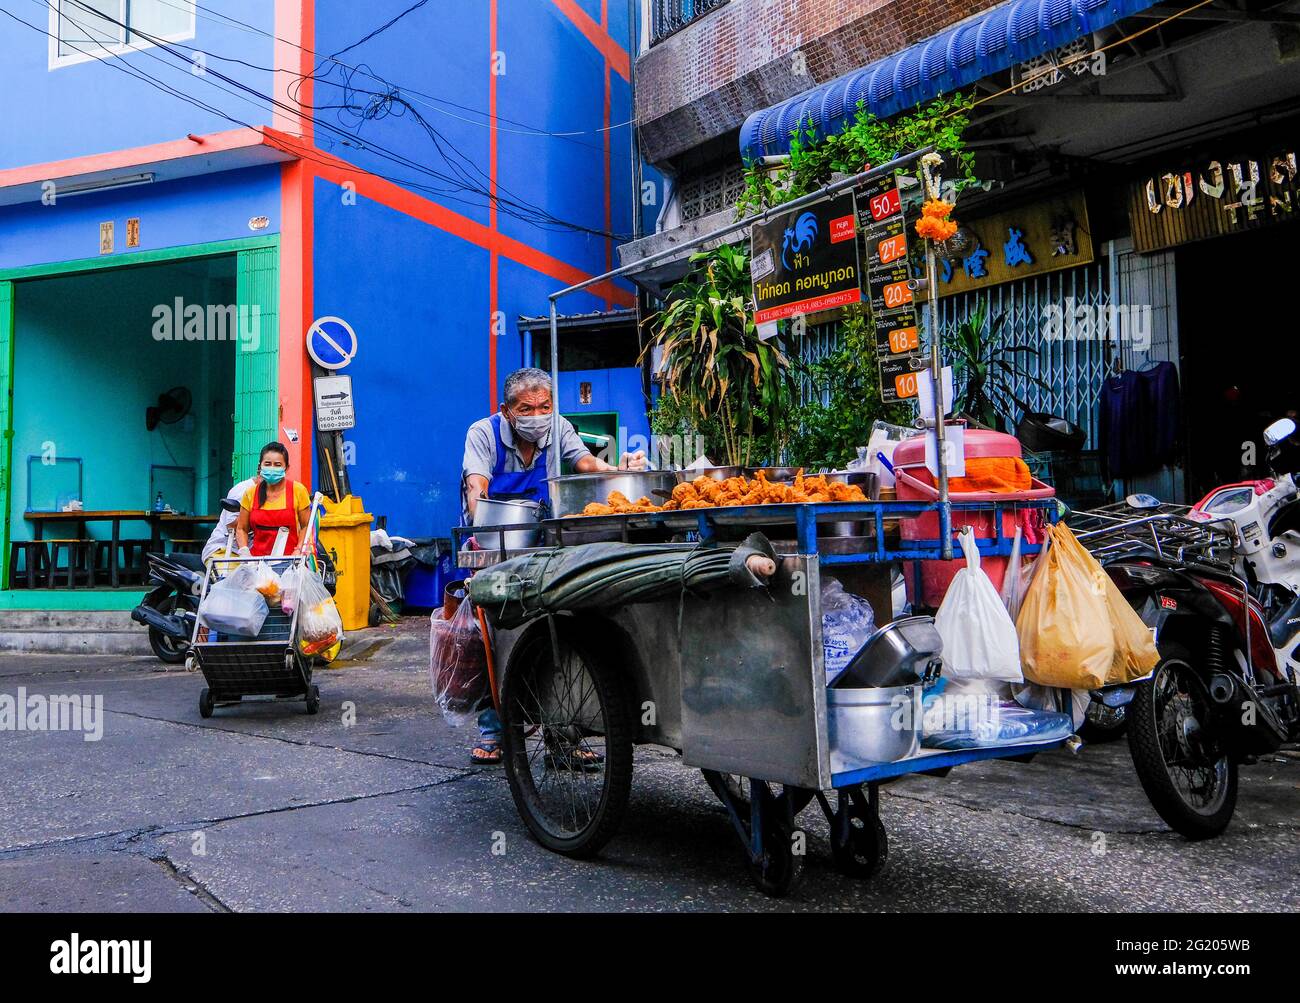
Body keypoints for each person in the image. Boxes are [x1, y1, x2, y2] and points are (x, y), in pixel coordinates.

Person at [460, 367, 645, 764]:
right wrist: (485, 513)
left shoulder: (557, 428)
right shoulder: (483, 433)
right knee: (491, 639)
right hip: (497, 544)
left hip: (544, 546)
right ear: (508, 411)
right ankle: (494, 730)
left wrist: (623, 471)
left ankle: (564, 733)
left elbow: (586, 465)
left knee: (561, 629)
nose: (538, 414)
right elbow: (477, 487)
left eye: (545, 406)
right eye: (527, 408)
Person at [236, 442, 314, 556]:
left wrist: (298, 549)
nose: (272, 468)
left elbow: (306, 526)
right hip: (257, 563)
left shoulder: (298, 490)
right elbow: (241, 529)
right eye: (267, 464)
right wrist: (244, 551)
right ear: (260, 466)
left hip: (290, 561)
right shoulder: (250, 493)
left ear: (286, 468)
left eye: (277, 464)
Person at [201, 475, 258, 563]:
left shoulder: (279, 494)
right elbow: (232, 525)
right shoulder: (243, 489)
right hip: (225, 551)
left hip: (256, 555)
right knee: (234, 576)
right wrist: (254, 514)